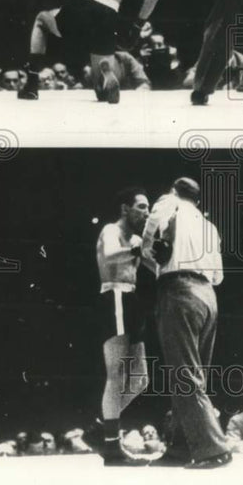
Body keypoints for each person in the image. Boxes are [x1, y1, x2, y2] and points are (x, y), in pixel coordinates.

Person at [142, 178, 231, 469]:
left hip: (178, 290)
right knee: (194, 375)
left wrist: (153, 260)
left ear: (173, 191)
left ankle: (214, 449)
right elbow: (218, 275)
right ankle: (181, 448)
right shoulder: (209, 226)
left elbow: (148, 240)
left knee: (184, 375)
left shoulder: (169, 203)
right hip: (208, 295)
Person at [18, 0, 160, 101]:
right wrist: (136, 29)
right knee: (101, 94)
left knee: (42, 20)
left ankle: (32, 84)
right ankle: (105, 78)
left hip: (81, 3)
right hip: (108, 15)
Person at [87, 187, 151, 465]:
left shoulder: (138, 237)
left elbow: (153, 265)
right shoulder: (110, 230)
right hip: (114, 295)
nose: (146, 212)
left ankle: (101, 428)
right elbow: (112, 255)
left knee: (140, 379)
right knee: (116, 375)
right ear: (125, 208)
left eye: (148, 207)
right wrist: (139, 247)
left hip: (133, 300)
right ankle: (111, 446)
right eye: (141, 206)